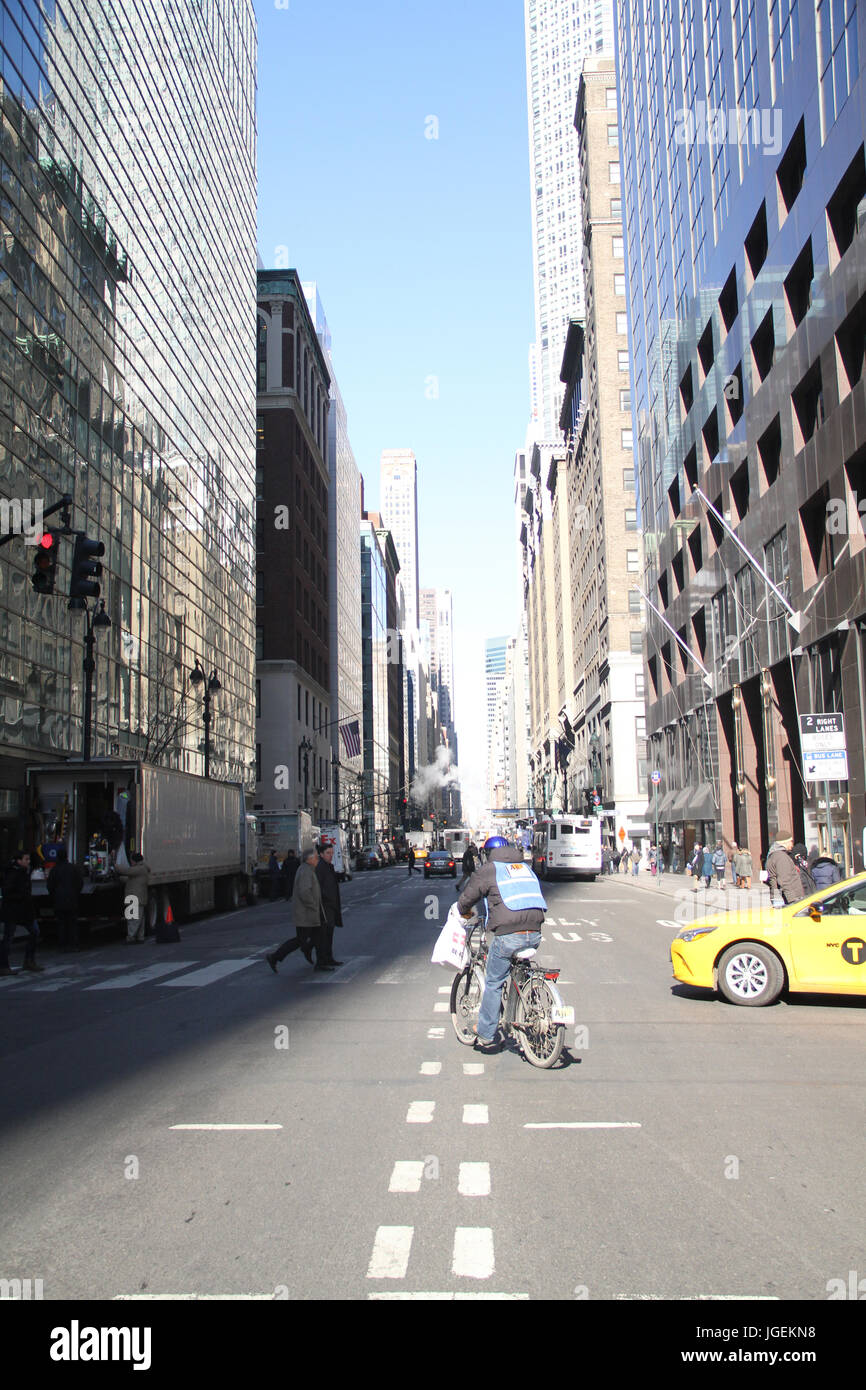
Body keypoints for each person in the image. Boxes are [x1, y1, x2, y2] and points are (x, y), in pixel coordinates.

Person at [457, 836, 546, 1054]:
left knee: (494, 981)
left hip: (508, 934)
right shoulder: (523, 866)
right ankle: (521, 1006)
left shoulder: (489, 869)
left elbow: (467, 898)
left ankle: (487, 1033)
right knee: (516, 966)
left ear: (488, 853)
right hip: (534, 931)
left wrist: (461, 911)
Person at [267, 846, 330, 973]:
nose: (318, 859)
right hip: (306, 914)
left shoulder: (308, 869)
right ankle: (275, 957)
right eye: (316, 857)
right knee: (300, 940)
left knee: (318, 937)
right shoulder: (305, 871)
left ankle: (319, 962)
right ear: (309, 859)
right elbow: (304, 891)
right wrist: (313, 906)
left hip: (308, 913)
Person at [0, 850, 43, 973]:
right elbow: (8, 892)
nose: (28, 862)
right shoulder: (13, 873)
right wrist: (22, 896)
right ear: (19, 861)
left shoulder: (24, 872)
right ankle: (4, 965)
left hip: (24, 910)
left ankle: (29, 960)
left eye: (29, 859)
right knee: (9, 937)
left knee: (34, 932)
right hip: (14, 910)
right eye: (26, 859)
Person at [47, 848, 84, 951]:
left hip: (59, 900)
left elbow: (50, 885)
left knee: (61, 924)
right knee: (72, 923)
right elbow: (80, 883)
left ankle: (62, 944)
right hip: (72, 899)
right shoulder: (73, 868)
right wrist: (76, 893)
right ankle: (73, 944)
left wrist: (54, 895)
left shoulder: (54, 870)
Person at [315, 838, 344, 968]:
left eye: (332, 853)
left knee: (329, 934)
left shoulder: (328, 866)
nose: (330, 855)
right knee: (323, 936)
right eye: (328, 853)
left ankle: (328, 958)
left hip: (330, 906)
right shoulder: (320, 867)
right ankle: (322, 960)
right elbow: (318, 888)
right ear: (321, 854)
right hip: (324, 907)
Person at [119, 852, 150, 943]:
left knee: (133, 919)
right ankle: (140, 937)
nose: (130, 862)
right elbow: (129, 879)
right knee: (140, 919)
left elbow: (126, 871)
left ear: (135, 861)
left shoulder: (139, 869)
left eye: (131, 860)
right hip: (139, 897)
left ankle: (131, 937)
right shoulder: (142, 869)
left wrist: (115, 866)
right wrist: (121, 878)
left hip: (134, 897)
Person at [766, 834, 803, 906]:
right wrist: (792, 899)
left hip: (779, 897)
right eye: (791, 841)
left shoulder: (774, 855)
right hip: (786, 899)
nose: (792, 844)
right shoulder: (781, 857)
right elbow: (784, 880)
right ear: (784, 842)